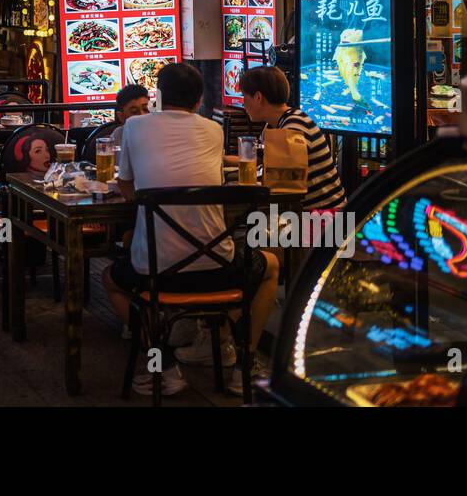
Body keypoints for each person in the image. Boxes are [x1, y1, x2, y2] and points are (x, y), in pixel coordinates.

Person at [102, 62, 279, 397]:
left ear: (158, 95)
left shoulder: (135, 128)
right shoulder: (213, 131)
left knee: (110, 280)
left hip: (154, 273)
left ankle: (164, 367)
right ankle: (244, 364)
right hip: (218, 269)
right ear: (199, 101)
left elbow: (126, 187)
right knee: (269, 266)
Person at [233, 65, 346, 211]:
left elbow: (283, 179)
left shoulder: (294, 127)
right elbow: (256, 160)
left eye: (244, 96)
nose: (243, 103)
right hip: (305, 212)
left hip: (325, 216)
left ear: (258, 97)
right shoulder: (274, 125)